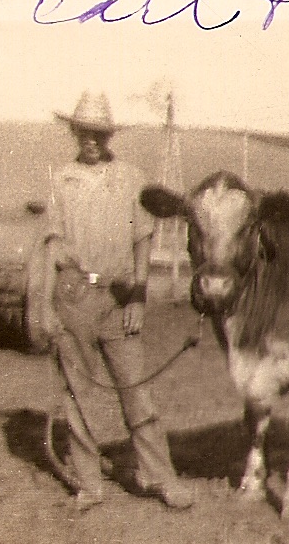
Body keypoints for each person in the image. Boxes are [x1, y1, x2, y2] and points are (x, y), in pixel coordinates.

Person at [39, 91, 193, 512]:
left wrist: (139, 299)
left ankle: (161, 478)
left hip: (119, 296)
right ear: (73, 131)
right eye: (83, 131)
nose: (91, 139)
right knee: (77, 394)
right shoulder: (61, 180)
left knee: (135, 390)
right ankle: (90, 484)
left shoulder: (130, 177)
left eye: (98, 132)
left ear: (109, 135)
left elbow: (144, 239)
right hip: (73, 295)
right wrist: (53, 295)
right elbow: (52, 241)